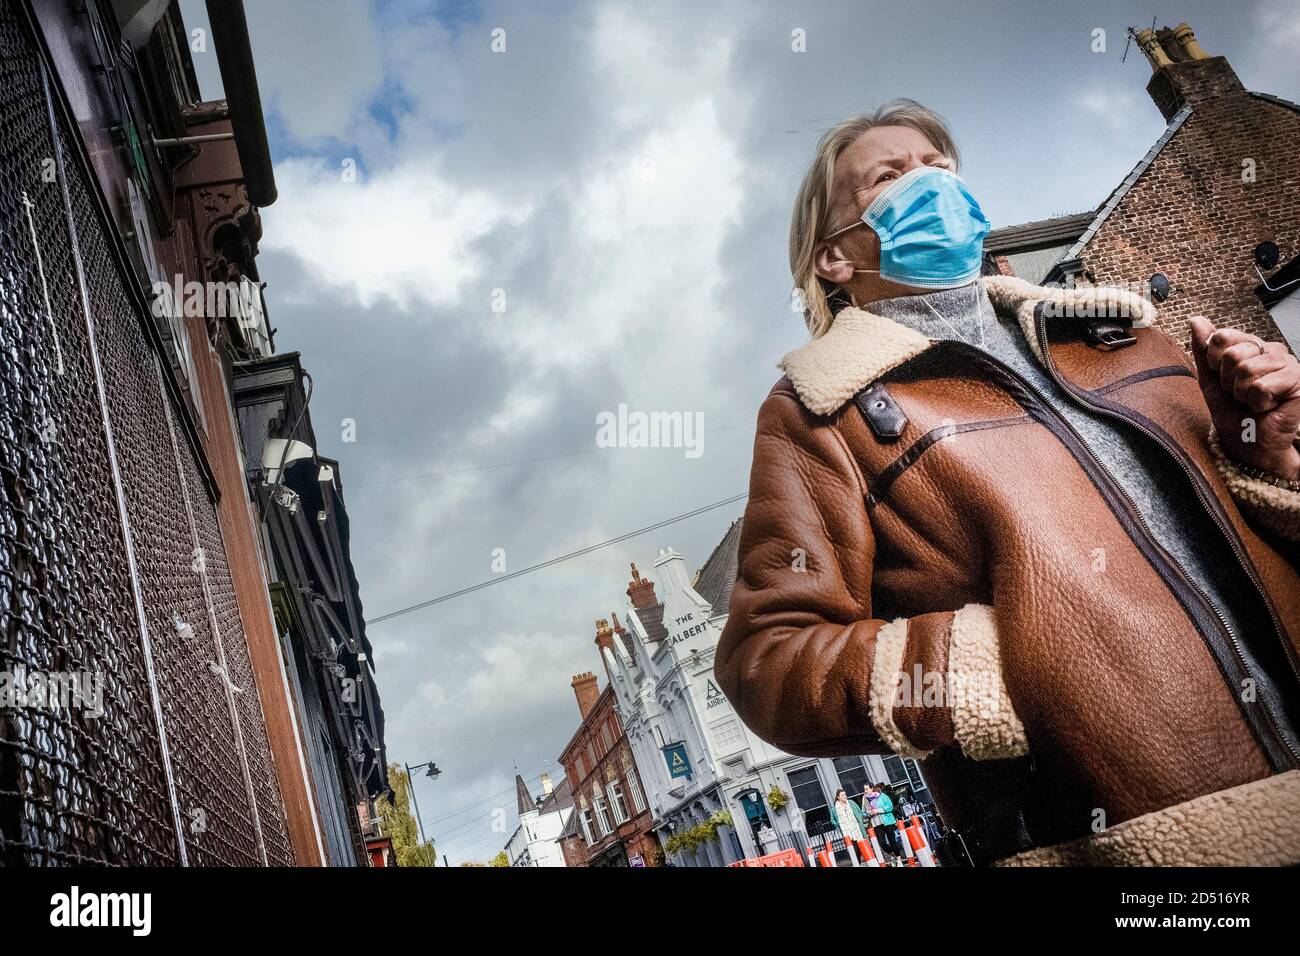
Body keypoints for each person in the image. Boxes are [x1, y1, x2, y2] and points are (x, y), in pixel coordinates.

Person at [715, 99, 1300, 867]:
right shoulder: (821, 414)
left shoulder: (1119, 336)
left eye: (938, 166)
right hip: (1152, 843)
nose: (928, 184)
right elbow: (770, 662)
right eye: (889, 178)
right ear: (832, 258)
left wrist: (1270, 453)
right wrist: (990, 668)